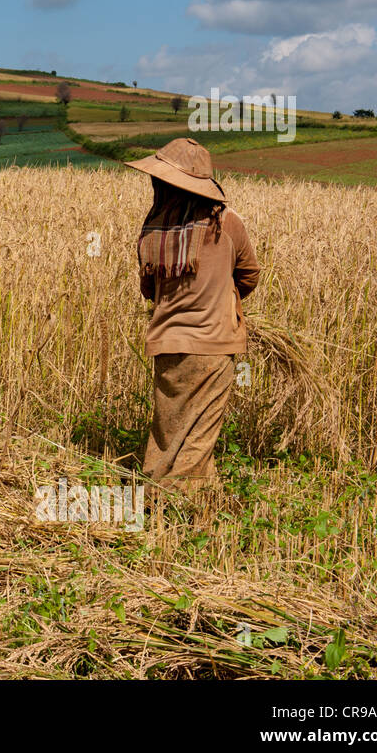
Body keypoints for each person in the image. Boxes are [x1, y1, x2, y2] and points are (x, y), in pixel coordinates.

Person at [124, 138, 260, 497]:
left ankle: (157, 494)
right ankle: (181, 505)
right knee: (198, 436)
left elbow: (148, 288)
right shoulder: (227, 223)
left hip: (168, 344)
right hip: (215, 346)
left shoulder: (152, 228)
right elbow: (250, 275)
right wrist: (222, 299)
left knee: (168, 433)